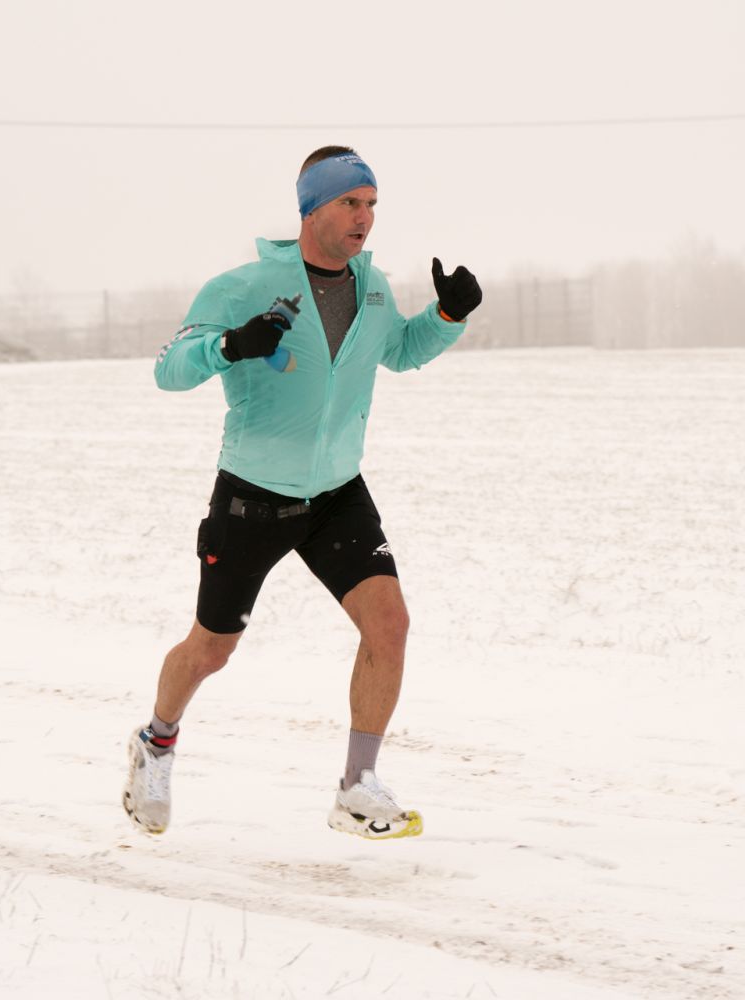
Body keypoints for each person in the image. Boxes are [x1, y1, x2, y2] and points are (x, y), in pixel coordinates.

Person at [124, 146, 482, 840]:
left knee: (389, 625)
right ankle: (156, 743)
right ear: (312, 207)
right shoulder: (243, 286)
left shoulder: (372, 289)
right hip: (254, 497)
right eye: (351, 202)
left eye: (372, 204)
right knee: (211, 649)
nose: (364, 217)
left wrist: (446, 315)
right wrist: (229, 346)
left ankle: (357, 787)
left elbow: (400, 352)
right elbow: (169, 369)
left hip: (337, 494)